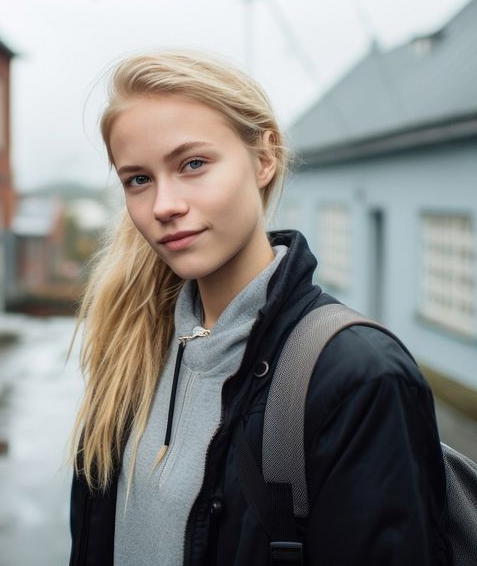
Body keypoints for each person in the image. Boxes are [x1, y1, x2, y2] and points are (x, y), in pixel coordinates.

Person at [69, 50, 450, 565]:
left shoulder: (359, 378)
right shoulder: (129, 352)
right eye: (138, 179)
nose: (163, 206)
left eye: (193, 164)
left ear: (264, 157)